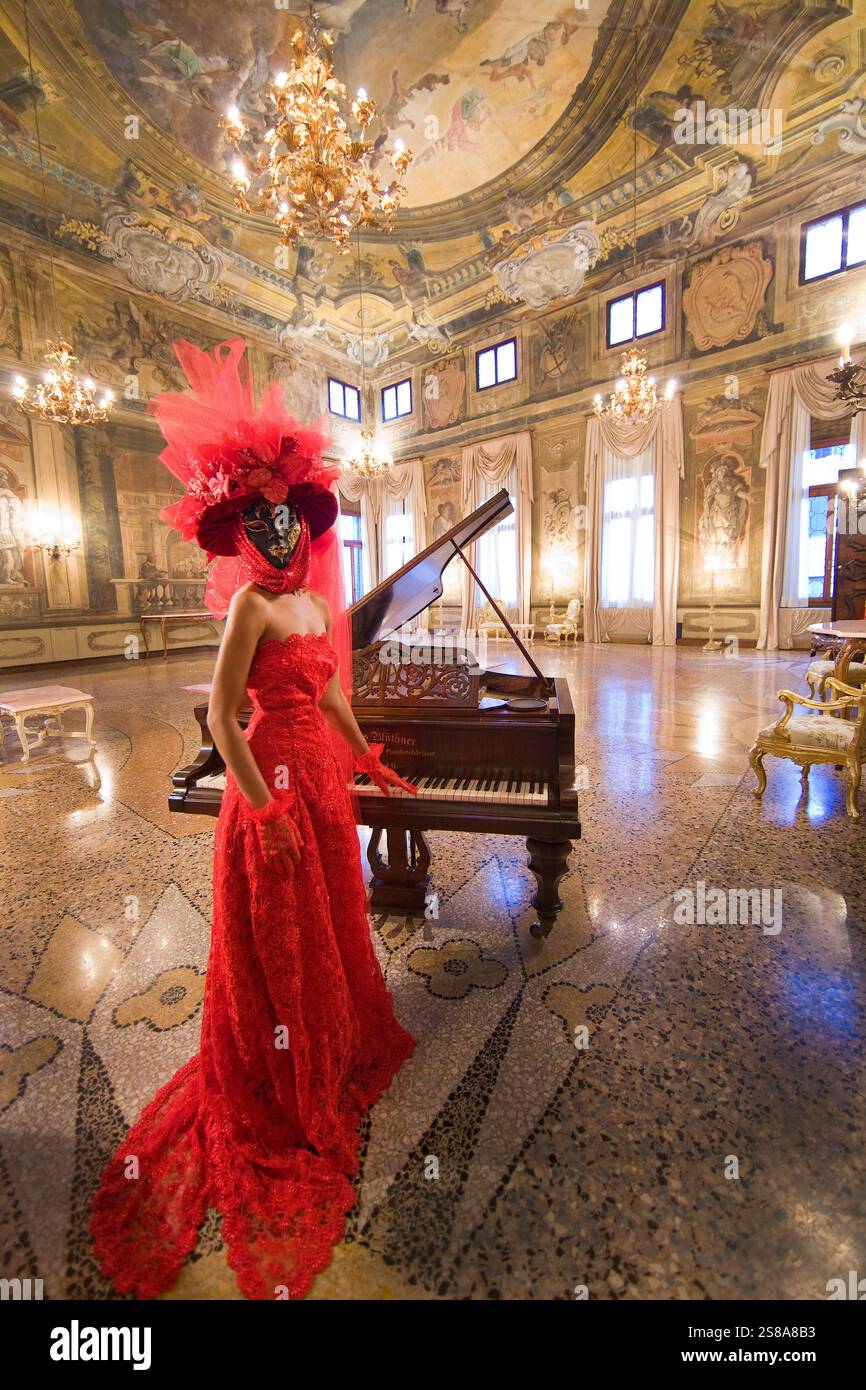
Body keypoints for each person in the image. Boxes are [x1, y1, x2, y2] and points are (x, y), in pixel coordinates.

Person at [90, 338, 417, 1300]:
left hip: (319, 783)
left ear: (305, 528)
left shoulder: (318, 610)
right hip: (267, 787)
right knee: (276, 935)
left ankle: (330, 1037)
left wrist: (367, 756)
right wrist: (265, 806)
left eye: (289, 524)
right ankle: (277, 1070)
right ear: (240, 534)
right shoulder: (248, 615)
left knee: (325, 919)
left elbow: (328, 700)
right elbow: (227, 719)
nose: (278, 541)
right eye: (262, 527)